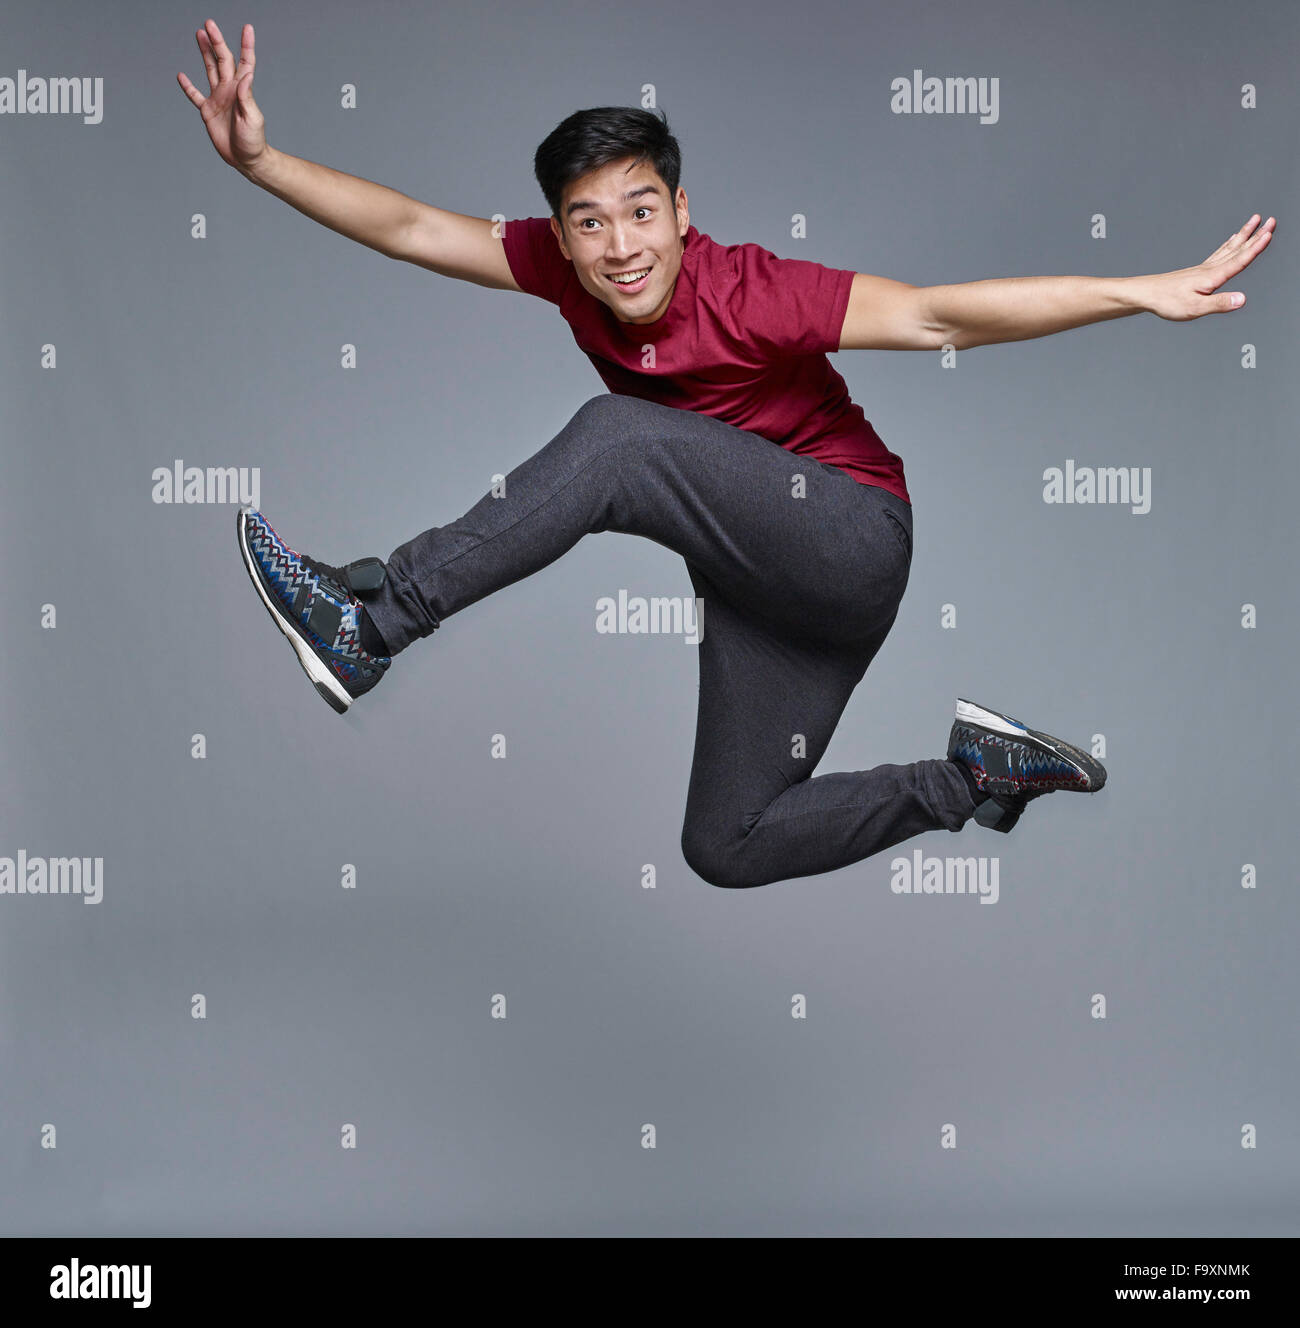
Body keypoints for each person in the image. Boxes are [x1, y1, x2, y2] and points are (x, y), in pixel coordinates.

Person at [179, 19, 1273, 889]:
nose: (621, 247)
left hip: (847, 535)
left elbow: (940, 315)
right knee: (729, 842)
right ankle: (973, 778)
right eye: (590, 223)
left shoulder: (750, 289)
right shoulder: (566, 268)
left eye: (642, 212)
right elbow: (417, 229)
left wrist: (1136, 292)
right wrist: (262, 161)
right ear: (559, 234)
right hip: (765, 593)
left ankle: (369, 624)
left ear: (682, 210)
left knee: (619, 441)